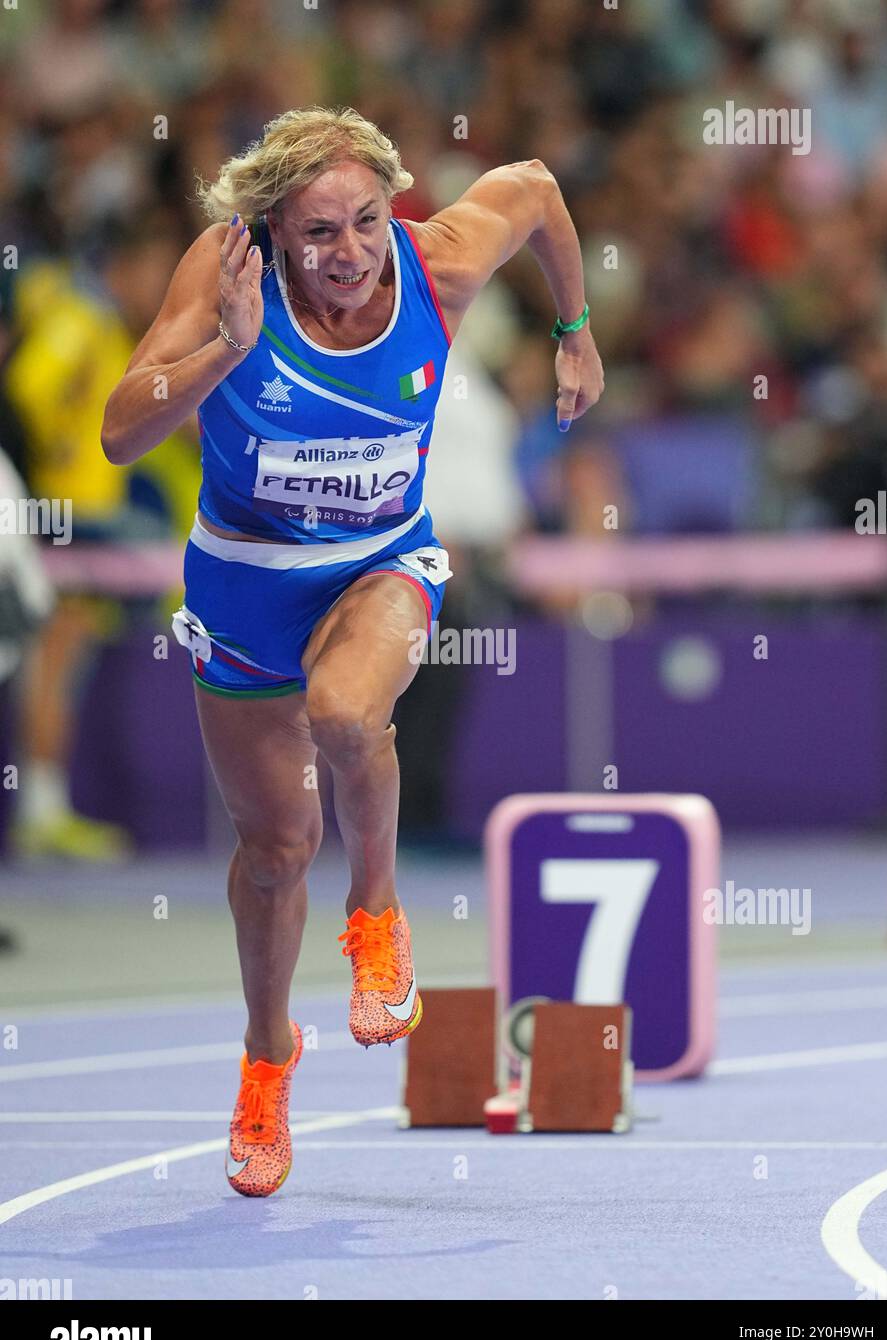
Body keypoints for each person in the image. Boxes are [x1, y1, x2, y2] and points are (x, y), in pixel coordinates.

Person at [101, 105, 603, 1197]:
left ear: (393, 204)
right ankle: (268, 1058)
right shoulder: (225, 267)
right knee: (275, 849)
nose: (349, 254)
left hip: (383, 562)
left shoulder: (439, 265)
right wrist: (225, 350)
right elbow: (119, 431)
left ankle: (376, 912)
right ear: (274, 227)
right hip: (244, 584)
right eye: (320, 233)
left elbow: (537, 184)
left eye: (367, 222)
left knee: (344, 713)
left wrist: (575, 329)